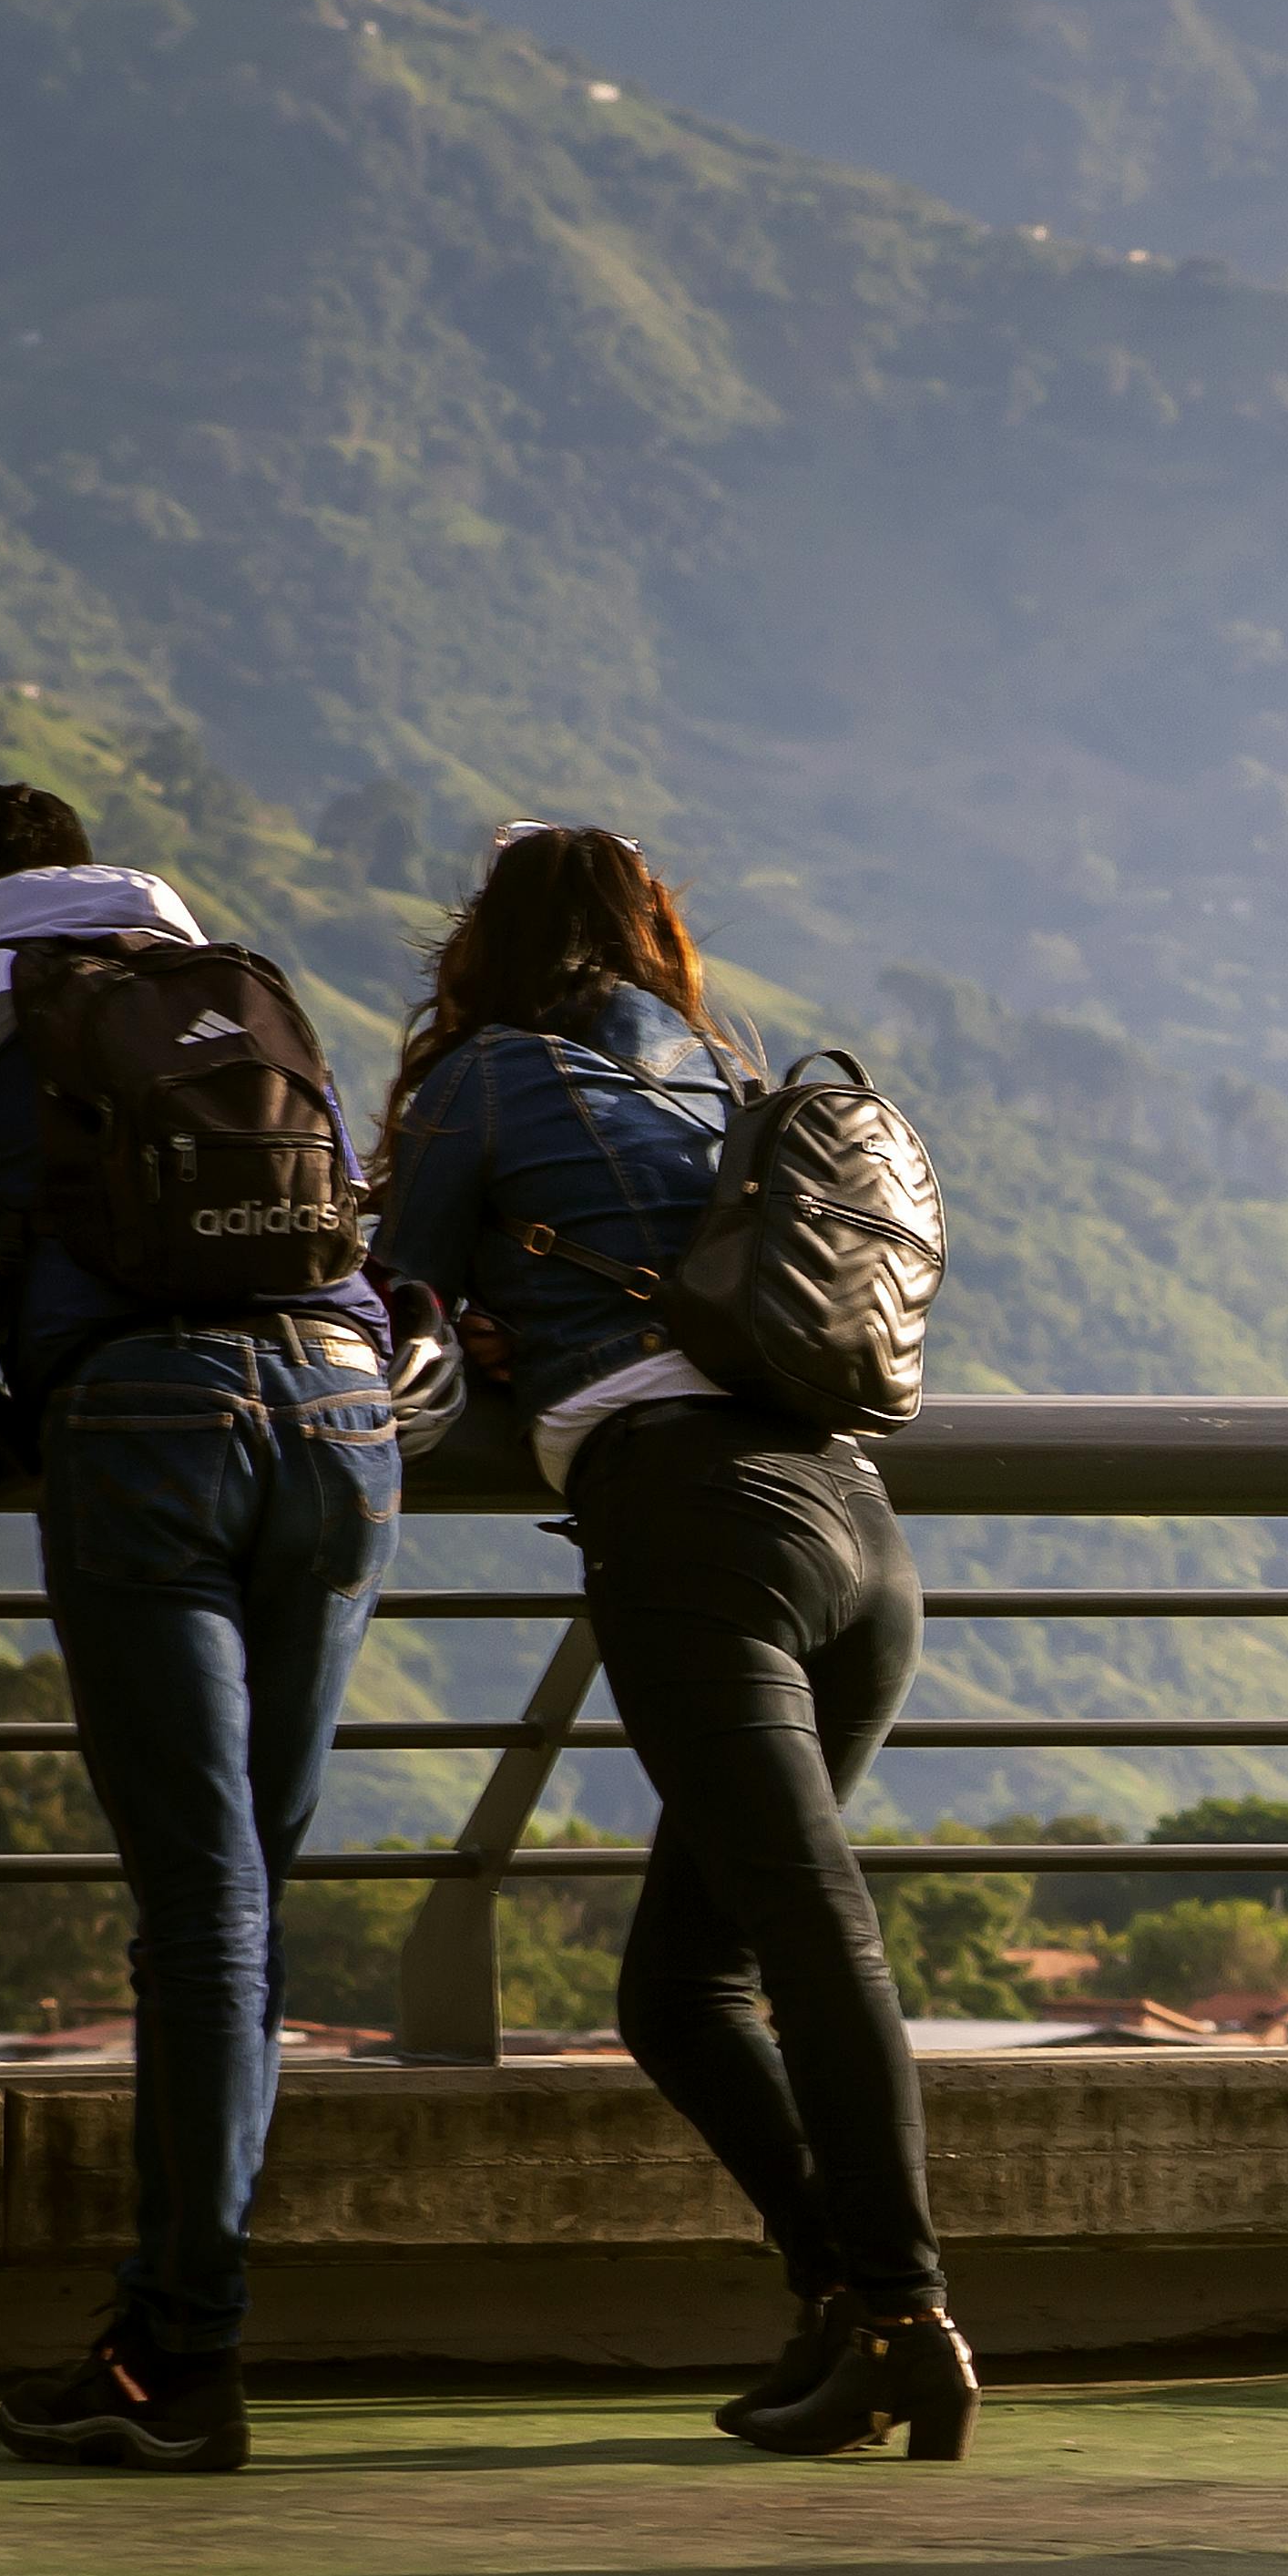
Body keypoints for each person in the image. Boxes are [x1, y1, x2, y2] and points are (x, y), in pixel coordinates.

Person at [365, 824, 974, 2460]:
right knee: (683, 1987)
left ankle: (908, 2316)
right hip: (860, 1531)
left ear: (484, 942)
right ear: (655, 936)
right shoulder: (728, 1080)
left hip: (694, 1526)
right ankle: (846, 2300)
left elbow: (389, 1308)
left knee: (807, 1936)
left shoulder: (486, 1081)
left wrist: (483, 1335)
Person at [0, 782, 400, 2473]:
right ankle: (180, 2330)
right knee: (252, 1899)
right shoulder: (244, 985)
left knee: (201, 1909)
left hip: (147, 1427)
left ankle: (178, 2353)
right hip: (348, 1419)